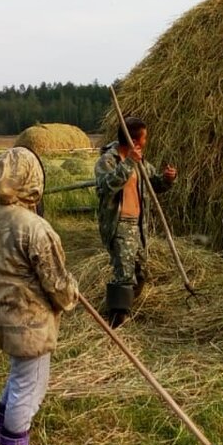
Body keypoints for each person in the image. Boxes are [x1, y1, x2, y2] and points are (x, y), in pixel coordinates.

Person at [0, 146, 79, 445]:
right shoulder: (35, 228)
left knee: (18, 376)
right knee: (30, 385)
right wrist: (71, 294)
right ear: (33, 179)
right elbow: (56, 283)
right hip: (29, 322)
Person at [93, 116, 177, 328]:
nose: (146, 141)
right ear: (134, 140)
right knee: (124, 276)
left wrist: (167, 179)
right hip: (119, 225)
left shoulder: (141, 163)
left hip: (139, 227)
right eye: (144, 137)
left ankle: (121, 305)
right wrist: (128, 162)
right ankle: (117, 322)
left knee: (141, 273)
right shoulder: (108, 161)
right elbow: (106, 186)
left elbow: (154, 183)